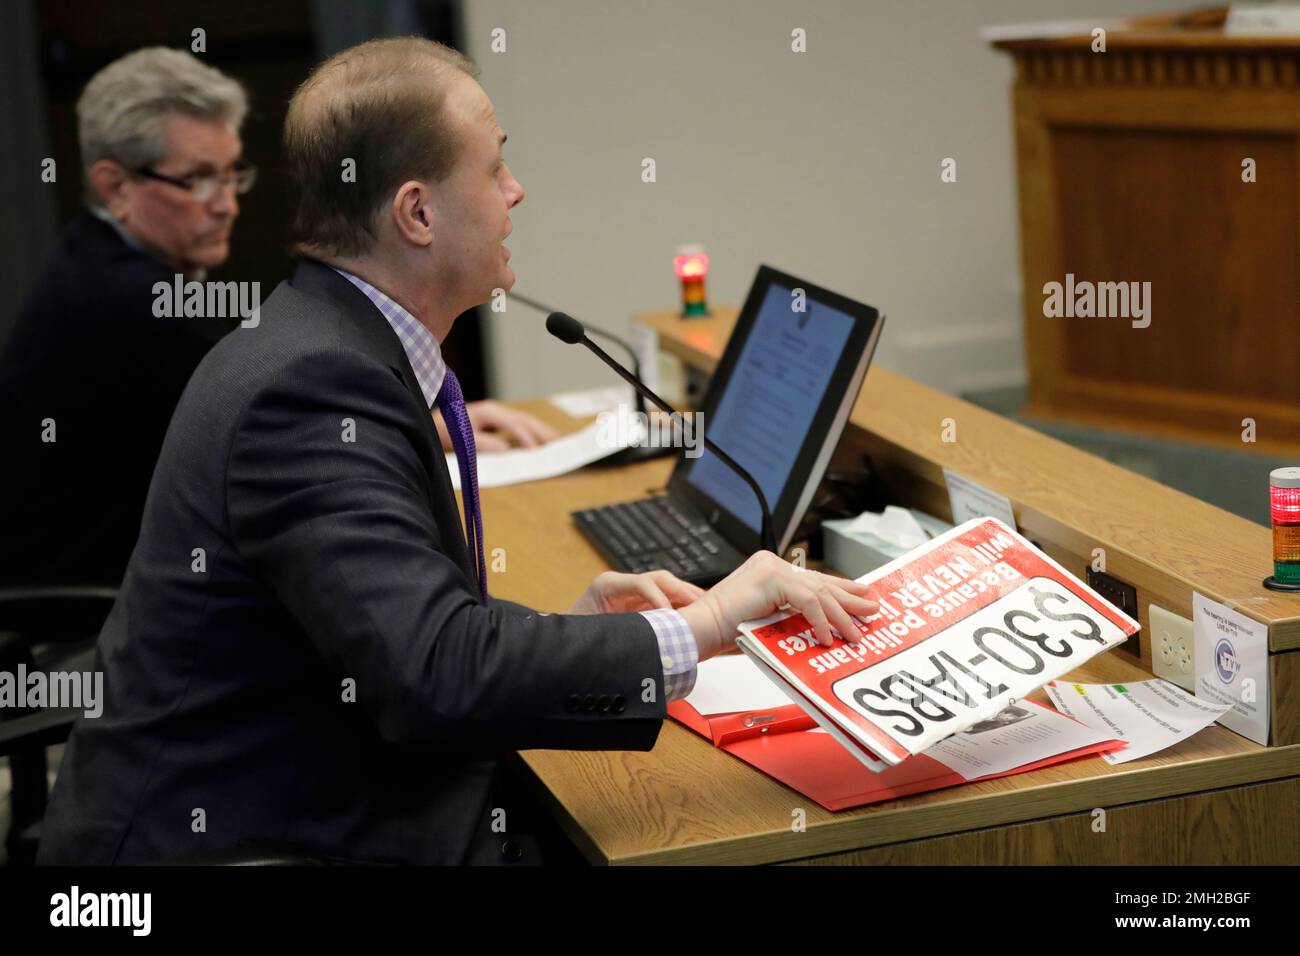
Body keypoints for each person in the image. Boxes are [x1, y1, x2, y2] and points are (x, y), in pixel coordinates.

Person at [38, 37, 876, 865]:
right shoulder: (313, 385)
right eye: (494, 168)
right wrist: (710, 623)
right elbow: (434, 676)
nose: (517, 192)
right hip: (239, 835)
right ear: (418, 212)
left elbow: (402, 631)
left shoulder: (331, 340)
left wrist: (569, 634)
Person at [0, 48, 250, 587]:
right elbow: (277, 432)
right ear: (116, 188)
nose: (227, 204)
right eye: (198, 180)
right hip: (82, 628)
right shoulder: (132, 302)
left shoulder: (93, 260)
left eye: (231, 174)